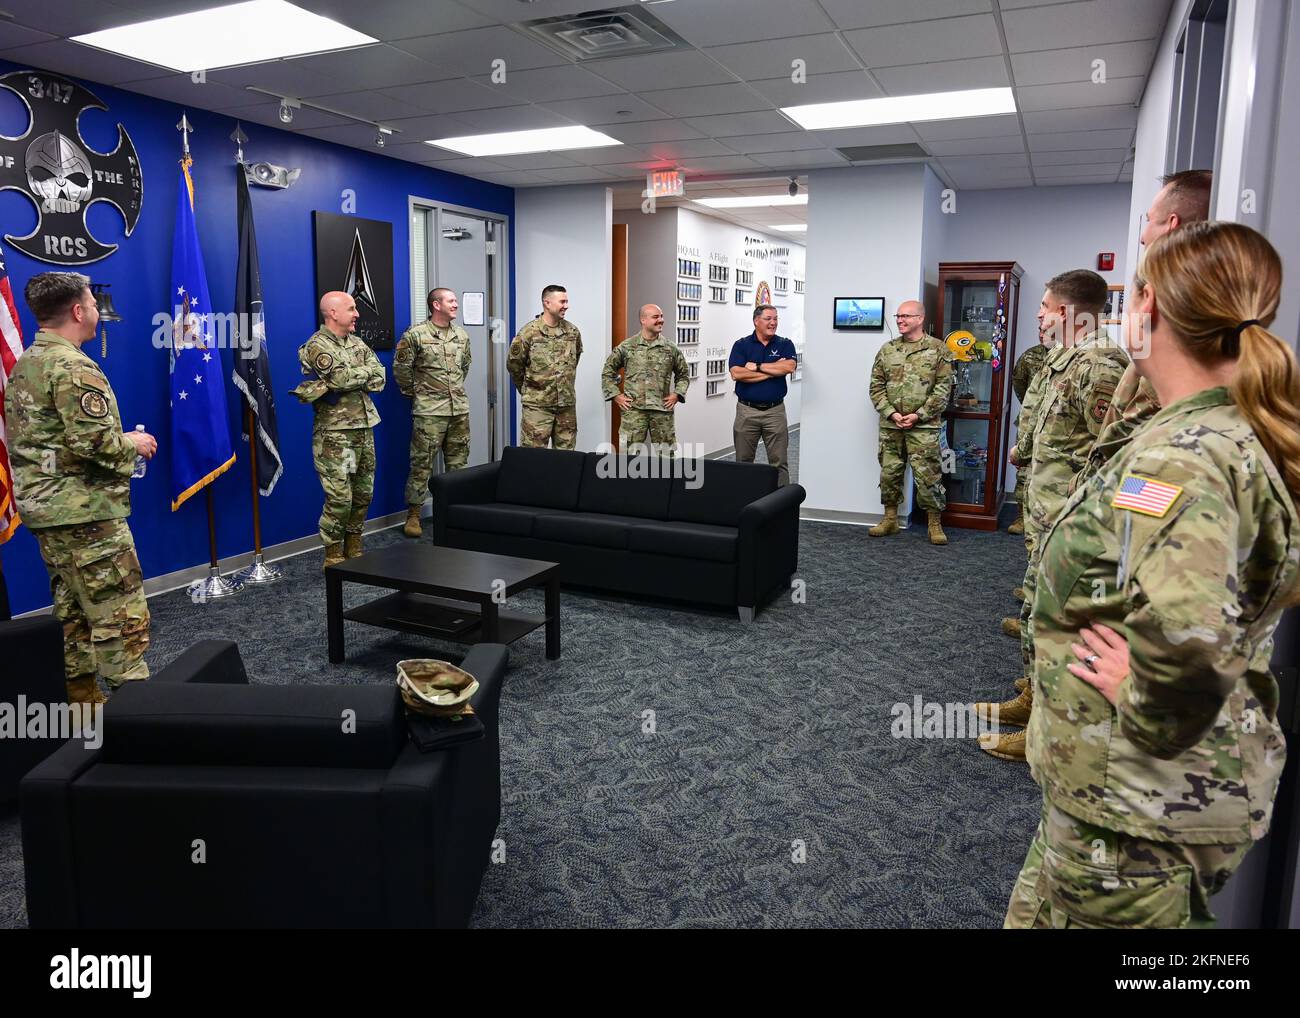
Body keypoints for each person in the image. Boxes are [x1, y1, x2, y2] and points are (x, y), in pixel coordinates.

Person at [1006, 221, 1299, 928]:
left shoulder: (1185, 457)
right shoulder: (1212, 427)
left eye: (1131, 297)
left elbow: (1190, 632)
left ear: (1153, 311)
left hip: (1136, 799)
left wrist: (1143, 693)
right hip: (1111, 788)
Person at [980, 270, 1128, 761]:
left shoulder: (1102, 365)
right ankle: (1030, 696)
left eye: (1044, 307)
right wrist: (1027, 451)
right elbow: (1057, 425)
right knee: (1035, 611)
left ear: (1065, 312)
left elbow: (1113, 454)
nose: (1039, 315)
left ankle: (1044, 727)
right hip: (1043, 513)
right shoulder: (1062, 359)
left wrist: (1074, 505)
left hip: (1070, 520)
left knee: (1058, 623)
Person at [5, 272, 157, 704]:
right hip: (86, 515)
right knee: (119, 617)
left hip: (47, 513)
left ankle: (84, 707)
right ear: (77, 311)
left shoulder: (28, 364)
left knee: (73, 614)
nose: (96, 312)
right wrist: (133, 442)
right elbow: (96, 443)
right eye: (92, 303)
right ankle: (138, 716)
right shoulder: (74, 367)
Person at [292, 291, 384, 568]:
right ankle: (333, 552)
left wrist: (358, 375)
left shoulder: (356, 342)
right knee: (340, 497)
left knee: (363, 492)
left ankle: (354, 544)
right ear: (333, 313)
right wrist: (361, 374)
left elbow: (380, 376)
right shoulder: (317, 345)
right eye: (352, 308)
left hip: (364, 427)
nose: (357, 314)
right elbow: (341, 378)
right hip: (335, 434)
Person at [867, 300, 953, 544]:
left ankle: (934, 524)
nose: (900, 320)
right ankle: (890, 519)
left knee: (929, 476)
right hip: (891, 425)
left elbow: (943, 390)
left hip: (924, 426)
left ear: (920, 319)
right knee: (890, 472)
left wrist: (919, 415)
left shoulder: (938, 350)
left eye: (906, 316)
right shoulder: (887, 350)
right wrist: (891, 413)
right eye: (898, 316)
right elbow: (876, 387)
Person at [394, 287, 471, 538]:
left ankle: (454, 512)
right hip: (429, 412)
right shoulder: (415, 335)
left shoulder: (461, 335)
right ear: (436, 305)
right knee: (421, 464)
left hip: (458, 409)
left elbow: (465, 366)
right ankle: (414, 514)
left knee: (458, 465)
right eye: (451, 300)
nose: (456, 305)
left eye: (456, 301)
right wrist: (419, 394)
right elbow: (401, 370)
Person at [602, 303, 689, 454]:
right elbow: (607, 371)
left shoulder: (670, 348)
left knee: (667, 458)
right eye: (656, 317)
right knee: (627, 458)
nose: (661, 320)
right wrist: (616, 396)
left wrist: (677, 394)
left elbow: (683, 375)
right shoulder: (627, 346)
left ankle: (667, 479)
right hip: (633, 412)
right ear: (643, 320)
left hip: (662, 411)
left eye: (661, 316)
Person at [728, 305, 798, 486]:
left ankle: (782, 505)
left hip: (775, 412)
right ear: (756, 321)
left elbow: (789, 367)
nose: (773, 323)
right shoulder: (741, 345)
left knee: (779, 462)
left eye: (775, 319)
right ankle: (743, 502)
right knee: (743, 462)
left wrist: (757, 366)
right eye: (768, 319)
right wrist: (774, 370)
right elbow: (737, 374)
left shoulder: (785, 344)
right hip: (746, 411)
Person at [508, 285, 581, 449]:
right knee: (534, 459)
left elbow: (574, 361)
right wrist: (530, 390)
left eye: (567, 301)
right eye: (562, 301)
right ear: (547, 303)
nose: (566, 306)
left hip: (566, 407)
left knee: (566, 460)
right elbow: (514, 366)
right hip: (537, 408)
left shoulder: (572, 332)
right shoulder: (529, 332)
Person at [1006, 339, 1052, 536]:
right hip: (1030, 423)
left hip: (1056, 425)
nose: (1043, 334)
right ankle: (1020, 517)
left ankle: (1046, 518)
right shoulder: (1029, 356)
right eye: (1040, 330)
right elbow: (1019, 384)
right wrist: (1031, 409)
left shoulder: (1073, 355)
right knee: (1023, 471)